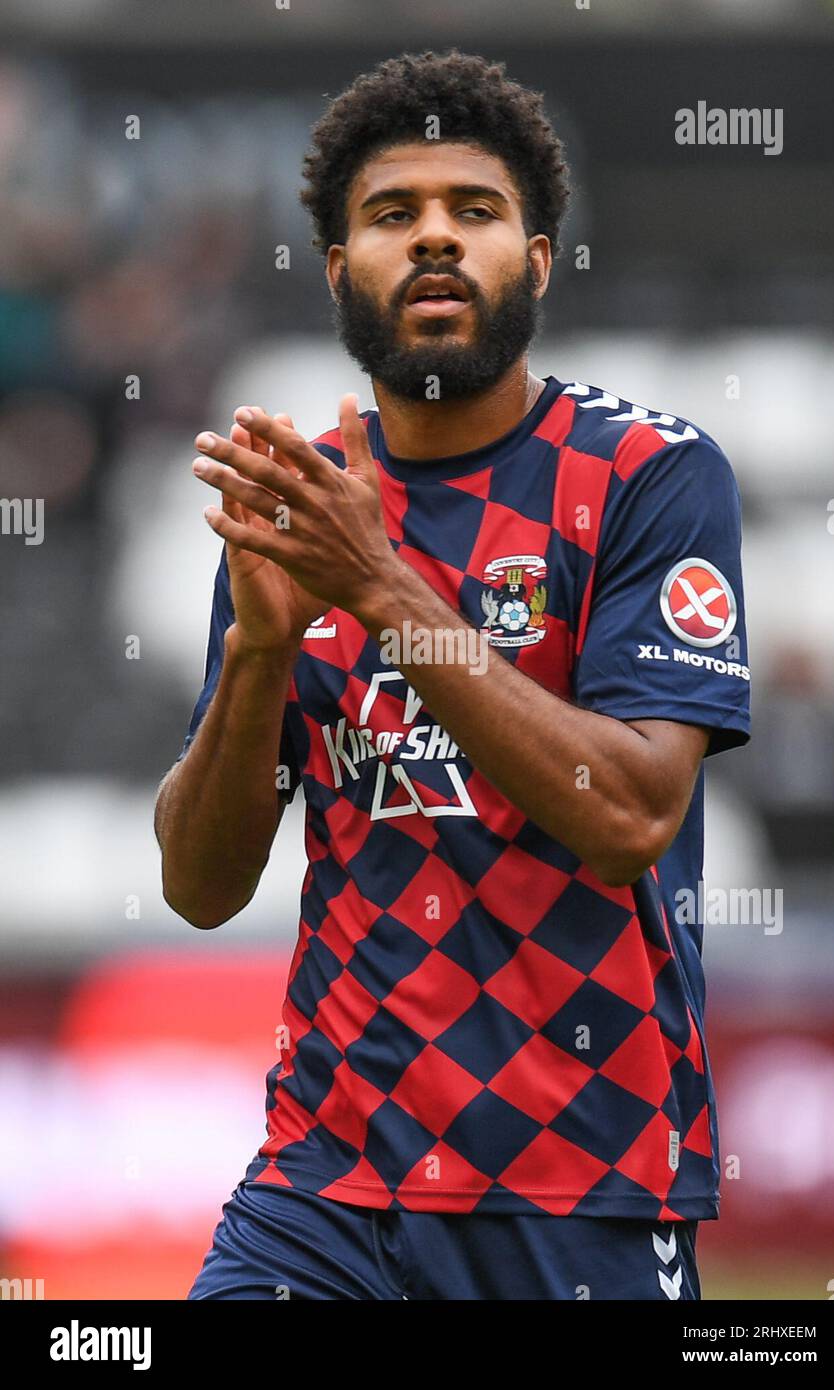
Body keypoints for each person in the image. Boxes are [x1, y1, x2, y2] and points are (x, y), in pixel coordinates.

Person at [155, 49, 750, 1300]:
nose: (434, 239)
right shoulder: (300, 509)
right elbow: (203, 888)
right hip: (324, 1182)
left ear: (536, 260)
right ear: (337, 272)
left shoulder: (649, 477)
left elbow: (635, 815)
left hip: (579, 1180)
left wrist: (382, 592)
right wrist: (262, 649)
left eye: (473, 212)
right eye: (392, 216)